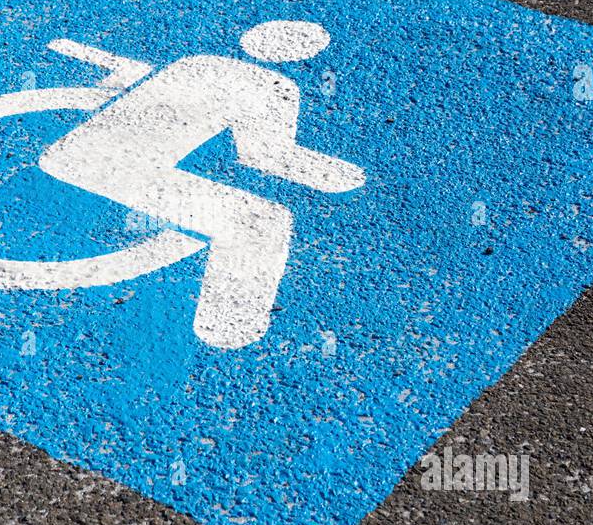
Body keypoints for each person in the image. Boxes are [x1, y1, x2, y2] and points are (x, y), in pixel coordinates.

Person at [40, 20, 365, 350]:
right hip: (106, 166)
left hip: (83, 155)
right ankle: (228, 321)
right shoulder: (271, 84)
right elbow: (262, 148)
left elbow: (260, 144)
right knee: (260, 222)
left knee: (258, 211)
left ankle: (231, 314)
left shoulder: (205, 65)